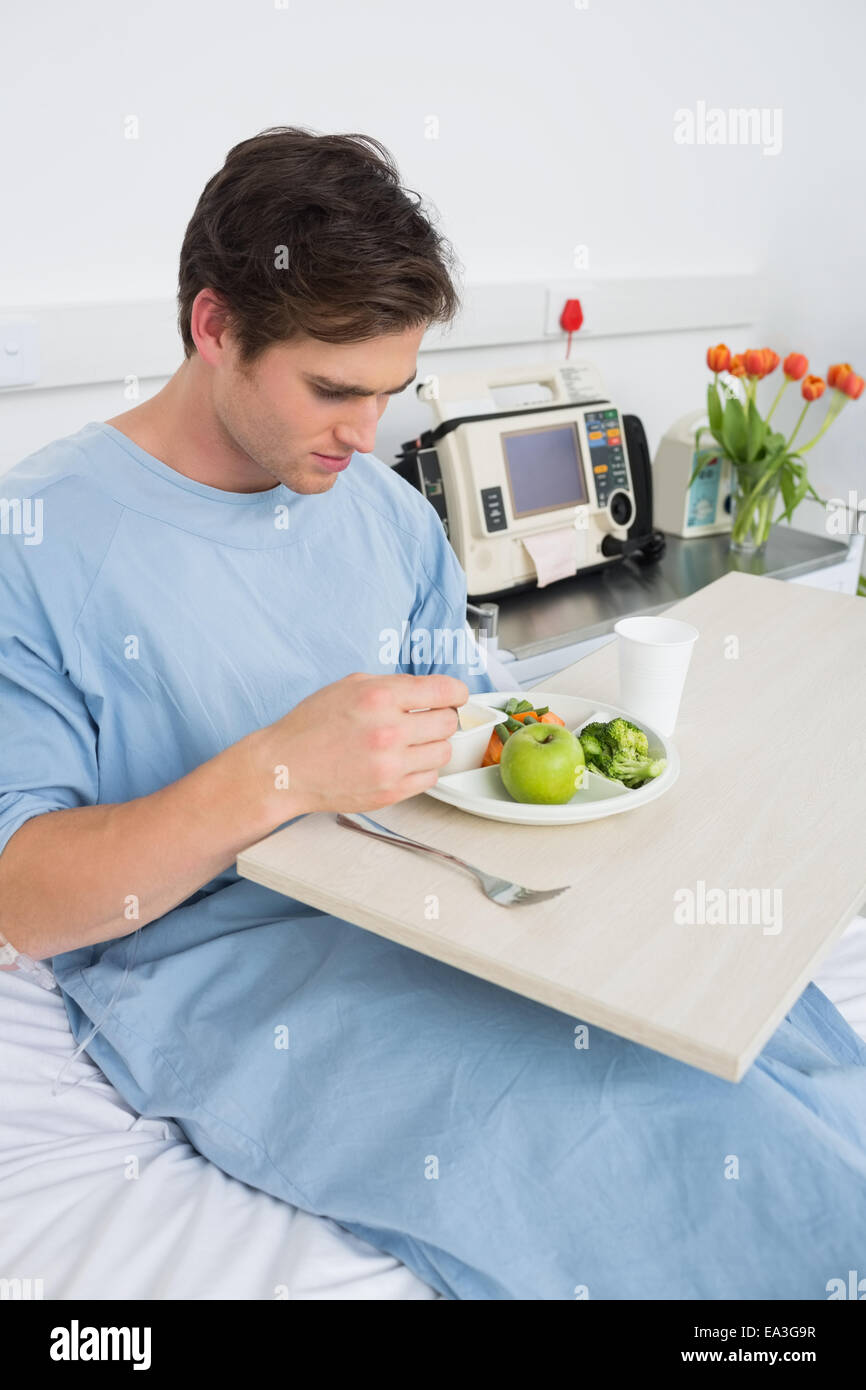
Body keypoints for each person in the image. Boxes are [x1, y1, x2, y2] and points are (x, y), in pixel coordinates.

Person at [1, 127, 864, 1301]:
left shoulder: (385, 516)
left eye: (390, 393)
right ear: (213, 327)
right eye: (332, 390)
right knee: (690, 1159)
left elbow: (474, 716)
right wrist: (279, 773)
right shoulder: (37, 542)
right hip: (251, 967)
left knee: (772, 1050)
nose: (368, 436)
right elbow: (28, 900)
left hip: (451, 892)